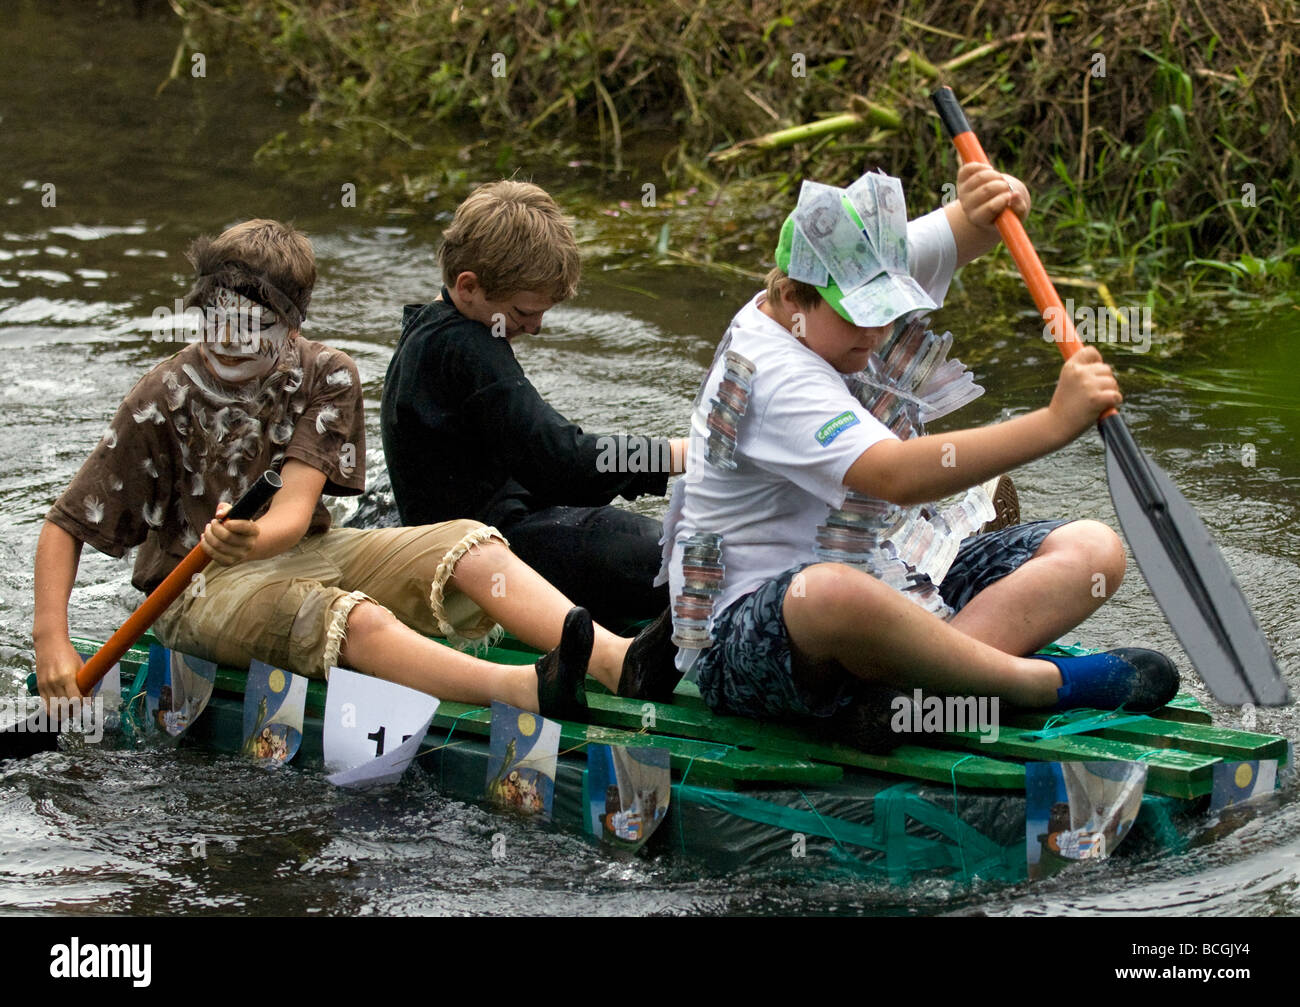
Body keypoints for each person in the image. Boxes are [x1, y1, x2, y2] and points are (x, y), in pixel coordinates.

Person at [32, 220, 678, 721]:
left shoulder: (326, 373)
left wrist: (250, 537)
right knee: (355, 618)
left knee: (471, 541)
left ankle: (617, 661)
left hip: (302, 548)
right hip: (192, 592)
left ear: (293, 320)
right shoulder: (160, 395)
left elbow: (291, 511)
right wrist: (52, 642)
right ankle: (525, 689)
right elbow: (65, 525)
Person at [659, 165, 1179, 751]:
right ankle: (1028, 686)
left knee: (1091, 551)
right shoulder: (771, 372)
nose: (877, 331)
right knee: (828, 592)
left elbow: (966, 229)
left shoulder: (863, 261)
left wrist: (994, 203)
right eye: (857, 316)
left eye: (886, 310)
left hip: (885, 570)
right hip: (747, 637)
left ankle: (921, 699)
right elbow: (894, 477)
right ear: (790, 297)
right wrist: (1055, 424)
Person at [380, 181, 686, 629]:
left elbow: (538, 455)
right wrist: (679, 454)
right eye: (524, 312)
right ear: (468, 286)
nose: (537, 327)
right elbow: (563, 459)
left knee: (651, 545)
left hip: (485, 524)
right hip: (480, 552)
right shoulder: (466, 348)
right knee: (667, 559)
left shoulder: (431, 325)